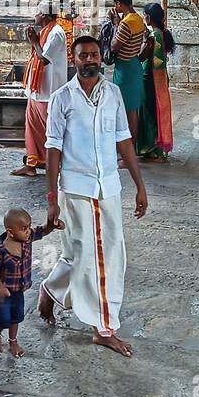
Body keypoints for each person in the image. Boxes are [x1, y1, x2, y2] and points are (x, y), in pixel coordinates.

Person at [38, 36, 148, 357]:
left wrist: (139, 186)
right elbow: (53, 149)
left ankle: (52, 289)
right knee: (96, 258)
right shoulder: (62, 99)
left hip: (109, 188)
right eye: (83, 55)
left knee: (103, 254)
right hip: (75, 188)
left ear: (102, 58)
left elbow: (124, 140)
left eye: (94, 54)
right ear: (74, 61)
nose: (90, 59)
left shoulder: (113, 94)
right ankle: (104, 328)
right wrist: (52, 198)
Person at [13, 1, 68, 177]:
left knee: (50, 130)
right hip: (37, 91)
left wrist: (34, 41)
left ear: (43, 16)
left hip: (49, 92)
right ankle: (31, 164)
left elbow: (43, 58)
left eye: (37, 13)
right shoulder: (46, 31)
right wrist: (35, 40)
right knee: (32, 127)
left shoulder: (56, 33)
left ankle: (58, 163)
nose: (35, 16)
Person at [0, 208, 51, 357]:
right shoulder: (1, 250)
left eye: (29, 227)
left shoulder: (27, 239)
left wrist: (52, 225)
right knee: (2, 318)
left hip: (18, 290)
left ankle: (13, 341)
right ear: (10, 232)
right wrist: (0, 286)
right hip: (2, 293)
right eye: (24, 229)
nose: (29, 231)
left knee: (16, 317)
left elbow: (42, 231)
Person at [108, 0, 147, 139]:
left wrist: (116, 25)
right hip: (134, 65)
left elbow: (114, 47)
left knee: (125, 111)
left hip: (125, 70)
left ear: (119, 3)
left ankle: (127, 149)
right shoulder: (137, 18)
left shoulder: (126, 24)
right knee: (132, 110)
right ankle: (131, 148)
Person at [137, 2, 174, 160]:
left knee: (150, 112)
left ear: (149, 17)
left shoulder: (153, 36)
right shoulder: (163, 32)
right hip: (160, 76)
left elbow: (142, 57)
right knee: (157, 110)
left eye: (144, 15)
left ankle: (152, 147)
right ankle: (156, 147)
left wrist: (144, 39)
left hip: (149, 77)